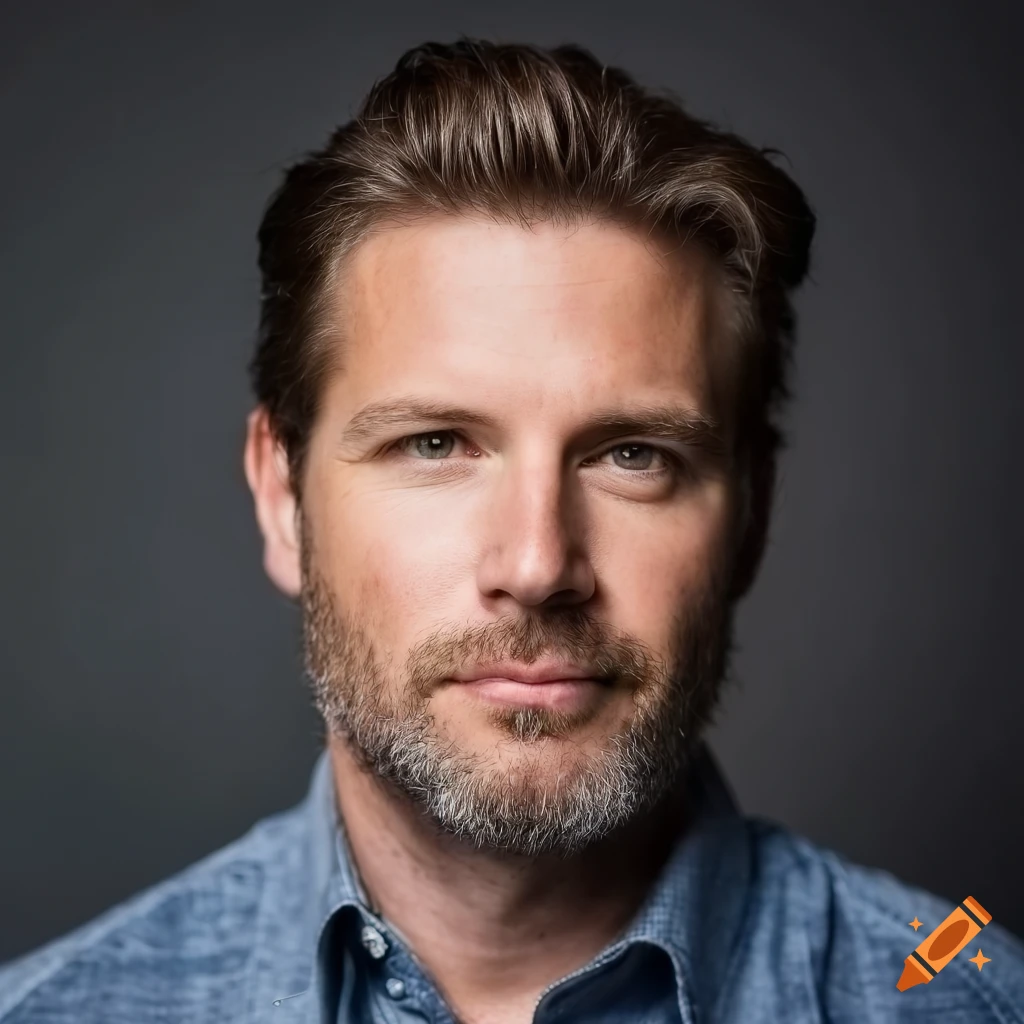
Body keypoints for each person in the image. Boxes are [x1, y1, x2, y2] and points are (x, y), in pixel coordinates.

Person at [1, 35, 1022, 1024]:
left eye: (633, 455)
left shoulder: (970, 998)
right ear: (281, 496)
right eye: (436, 443)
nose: (536, 565)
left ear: (750, 513)